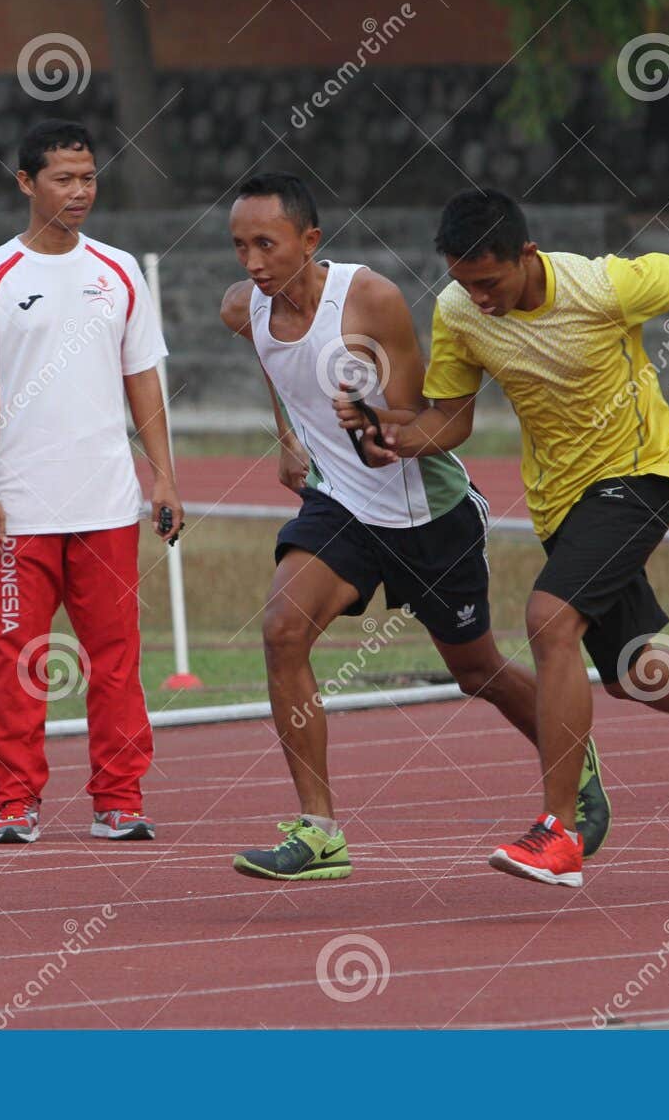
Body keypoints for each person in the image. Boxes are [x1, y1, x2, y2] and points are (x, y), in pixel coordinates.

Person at [340, 188, 669, 888]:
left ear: (526, 254)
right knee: (637, 673)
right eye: (463, 281)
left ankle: (558, 831)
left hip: (638, 475)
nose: (477, 297)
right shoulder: (458, 310)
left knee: (549, 618)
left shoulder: (602, 284)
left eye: (489, 281)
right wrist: (389, 433)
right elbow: (450, 422)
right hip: (561, 505)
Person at [220, 172, 610, 882]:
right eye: (240, 245)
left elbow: (420, 416)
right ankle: (320, 831)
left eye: (266, 245)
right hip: (343, 508)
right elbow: (270, 357)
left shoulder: (371, 299)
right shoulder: (245, 307)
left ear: (311, 240)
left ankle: (569, 751)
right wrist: (288, 435)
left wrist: (369, 412)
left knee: (476, 668)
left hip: (426, 513)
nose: (251, 263)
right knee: (282, 628)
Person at [0, 119, 183, 844]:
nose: (80, 192)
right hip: (20, 507)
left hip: (106, 501)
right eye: (63, 179)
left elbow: (144, 378)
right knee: (16, 660)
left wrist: (163, 475)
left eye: (89, 178)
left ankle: (119, 796)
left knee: (117, 657)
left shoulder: (119, 271)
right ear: (25, 183)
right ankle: (13, 801)